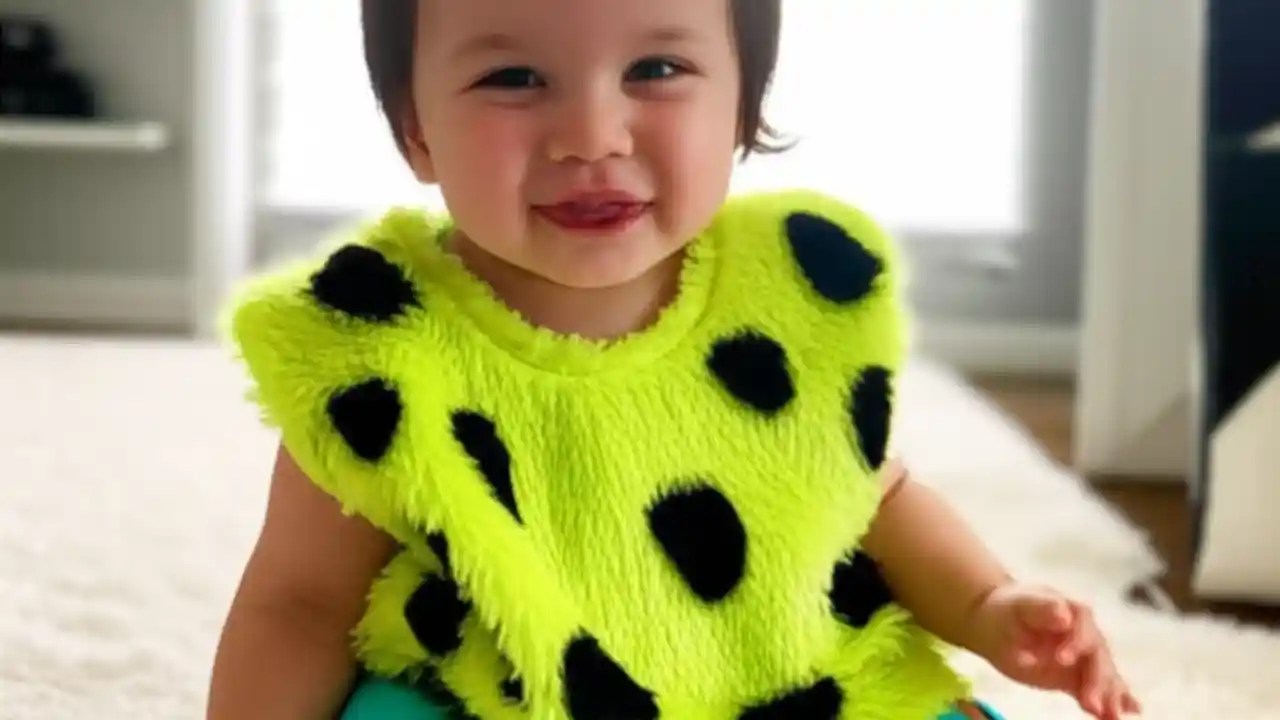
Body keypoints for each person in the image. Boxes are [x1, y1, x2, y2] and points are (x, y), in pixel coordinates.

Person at [208, 1, 1142, 718]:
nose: (592, 135)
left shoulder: (784, 295)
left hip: (781, 678)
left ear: (743, 106)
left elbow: (873, 497)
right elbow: (299, 603)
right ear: (416, 128)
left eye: (656, 69)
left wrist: (988, 604)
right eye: (514, 78)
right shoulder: (380, 345)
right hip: (512, 692)